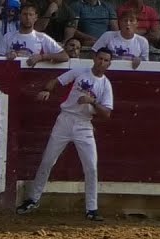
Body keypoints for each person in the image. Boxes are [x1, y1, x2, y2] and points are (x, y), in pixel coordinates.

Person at [17, 47, 114, 222]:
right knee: (47, 160)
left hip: (84, 125)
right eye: (100, 58)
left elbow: (107, 113)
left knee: (91, 167)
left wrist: (92, 101)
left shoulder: (106, 84)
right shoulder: (80, 71)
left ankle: (91, 208)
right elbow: (56, 81)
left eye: (106, 60)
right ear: (94, 58)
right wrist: (47, 90)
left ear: (109, 63)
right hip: (65, 120)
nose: (102, 62)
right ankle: (33, 199)